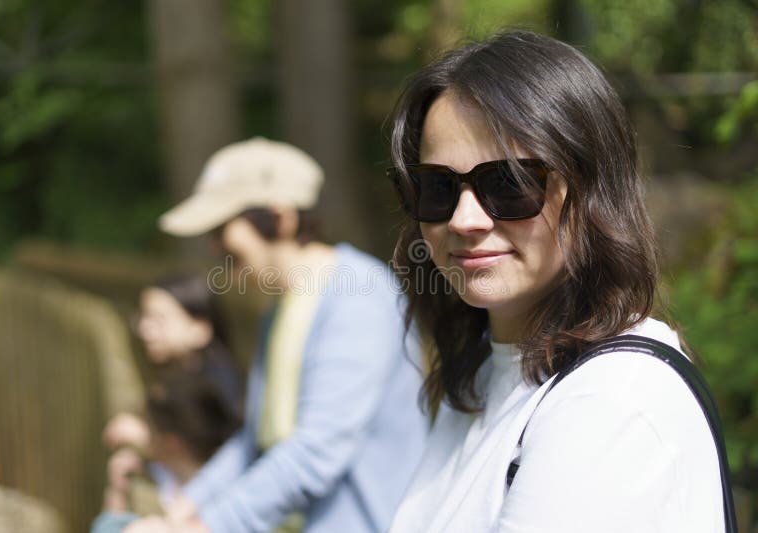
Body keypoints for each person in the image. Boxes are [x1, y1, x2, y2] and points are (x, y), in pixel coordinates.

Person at [384, 31, 726, 532]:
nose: (464, 220)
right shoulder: (483, 374)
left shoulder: (610, 400)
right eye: (437, 187)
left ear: (591, 191)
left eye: (508, 184)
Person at [124, 137, 428, 533]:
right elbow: (256, 441)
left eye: (222, 228)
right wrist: (190, 504)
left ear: (280, 219)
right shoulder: (281, 310)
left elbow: (317, 451)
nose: (215, 246)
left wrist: (204, 526)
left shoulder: (357, 297)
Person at [104, 275, 242, 455]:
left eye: (159, 320)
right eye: (143, 317)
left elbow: (208, 453)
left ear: (200, 329)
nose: (144, 329)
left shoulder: (215, 387)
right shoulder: (179, 375)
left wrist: (146, 441)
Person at [92, 368, 241, 533]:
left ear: (172, 442)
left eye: (146, 423)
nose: (136, 429)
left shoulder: (215, 504)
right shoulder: (151, 472)